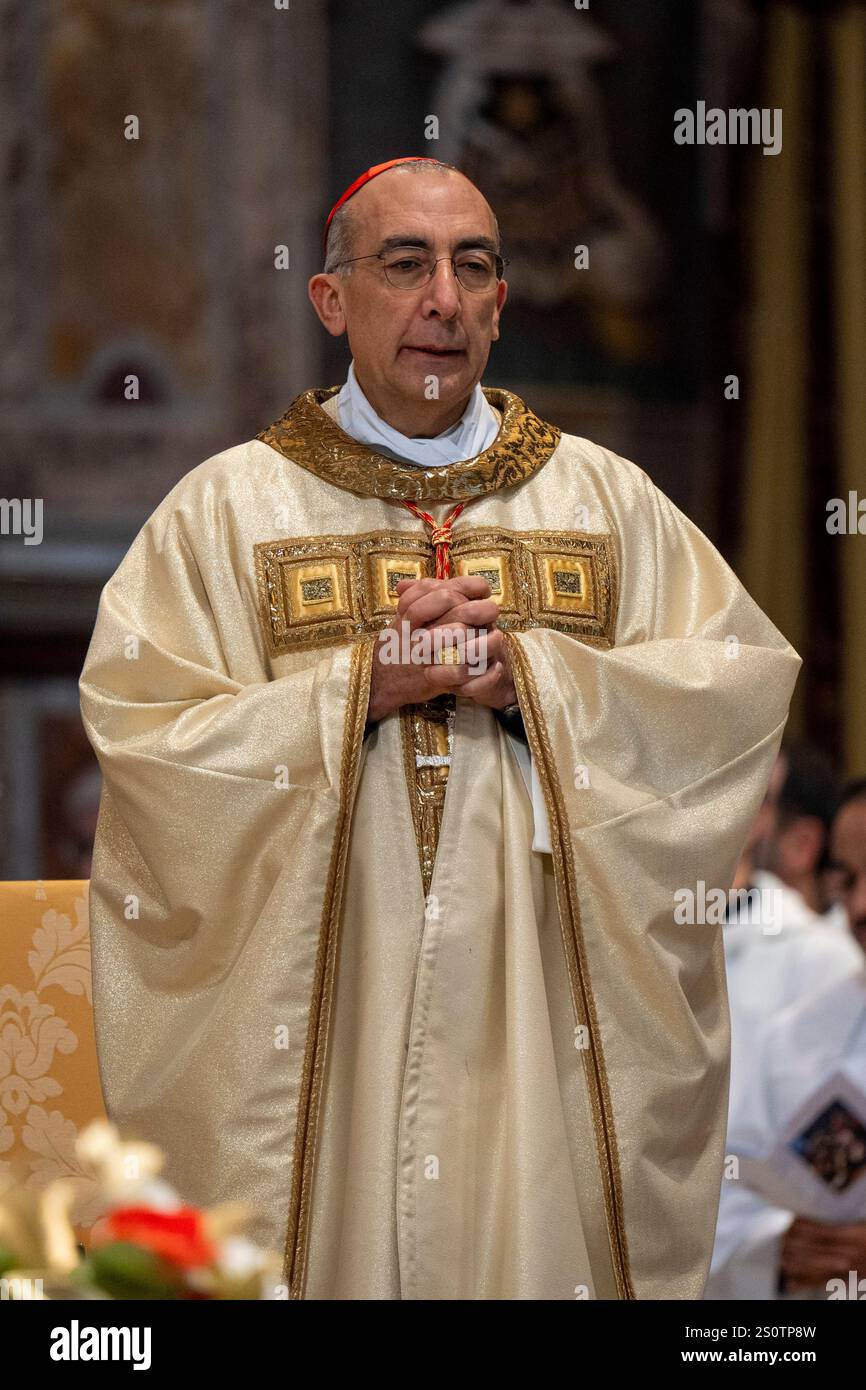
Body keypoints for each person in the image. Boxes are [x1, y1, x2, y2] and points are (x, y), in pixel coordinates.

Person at [78, 156, 801, 1300]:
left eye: (473, 267)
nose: (442, 300)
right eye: (404, 264)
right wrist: (359, 686)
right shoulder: (227, 511)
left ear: (502, 304)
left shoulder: (603, 503)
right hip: (329, 1036)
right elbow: (145, 736)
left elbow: (733, 690)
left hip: (540, 1014)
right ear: (331, 300)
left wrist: (536, 681)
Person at [706, 779, 866, 1299]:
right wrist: (783, 1251)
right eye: (847, 878)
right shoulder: (802, 1035)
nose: (860, 906)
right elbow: (729, 1196)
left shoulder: (814, 958)